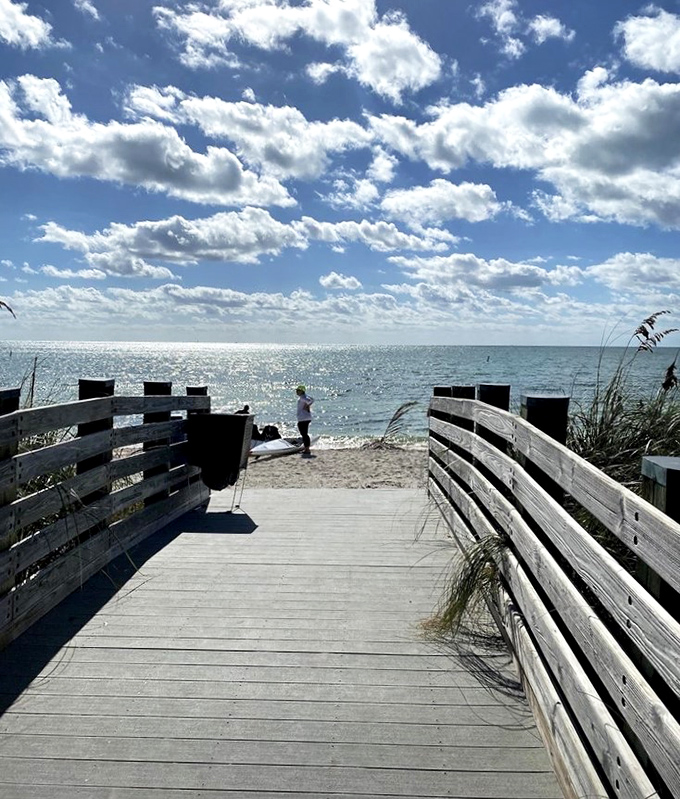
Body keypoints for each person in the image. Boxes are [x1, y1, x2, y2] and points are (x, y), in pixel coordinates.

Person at [295, 384, 314, 455]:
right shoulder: (304, 397)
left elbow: (310, 401)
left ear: (301, 391)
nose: (296, 392)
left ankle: (307, 449)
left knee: (304, 434)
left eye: (298, 390)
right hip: (305, 417)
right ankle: (307, 448)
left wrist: (307, 405)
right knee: (304, 434)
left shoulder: (303, 398)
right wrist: (307, 405)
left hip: (304, 418)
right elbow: (312, 399)